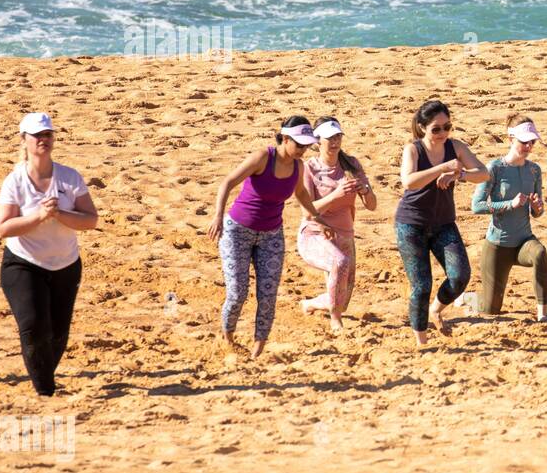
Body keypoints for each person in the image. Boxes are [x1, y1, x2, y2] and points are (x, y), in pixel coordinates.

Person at [207, 116, 336, 358]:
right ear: (285, 139)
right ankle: (228, 337)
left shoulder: (298, 167)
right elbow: (228, 182)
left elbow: (301, 195)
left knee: (268, 295)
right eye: (299, 144)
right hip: (237, 231)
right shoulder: (262, 158)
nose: (303, 150)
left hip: (271, 235)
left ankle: (257, 351)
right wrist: (217, 217)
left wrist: (318, 218)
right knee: (237, 292)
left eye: (307, 145)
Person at [0, 112, 99, 396]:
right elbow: (3, 227)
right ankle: (46, 393)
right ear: (24, 140)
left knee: (57, 334)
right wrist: (40, 215)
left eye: (48, 134)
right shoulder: (15, 182)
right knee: (33, 328)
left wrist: (60, 214)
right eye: (37, 135)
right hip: (23, 264)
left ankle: (43, 378)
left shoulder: (68, 177)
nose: (43, 139)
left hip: (66, 264)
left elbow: (91, 219)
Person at [394, 100, 489, 345]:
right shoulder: (413, 149)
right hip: (411, 224)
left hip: (443, 223)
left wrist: (460, 174)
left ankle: (436, 310)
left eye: (447, 127)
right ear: (422, 127)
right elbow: (409, 181)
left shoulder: (455, 146)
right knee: (421, 285)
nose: (443, 133)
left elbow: (484, 173)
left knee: (460, 276)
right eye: (436, 129)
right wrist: (442, 168)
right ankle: (421, 341)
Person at [296, 117, 377, 332]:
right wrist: (336, 195)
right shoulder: (308, 168)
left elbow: (372, 206)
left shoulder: (351, 164)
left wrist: (365, 190)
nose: (334, 142)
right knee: (338, 263)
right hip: (315, 234)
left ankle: (311, 304)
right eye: (329, 138)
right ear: (317, 141)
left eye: (338, 136)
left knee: (342, 297)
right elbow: (307, 211)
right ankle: (335, 321)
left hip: (345, 235)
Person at [471, 114, 547, 321]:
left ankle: (543, 315)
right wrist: (509, 204)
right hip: (497, 245)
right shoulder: (494, 168)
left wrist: (537, 207)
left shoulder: (534, 170)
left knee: (540, 252)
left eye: (532, 142)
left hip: (523, 241)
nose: (529, 146)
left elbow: (537, 213)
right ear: (510, 139)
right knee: (489, 309)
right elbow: (476, 206)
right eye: (524, 141)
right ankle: (464, 298)